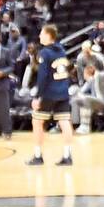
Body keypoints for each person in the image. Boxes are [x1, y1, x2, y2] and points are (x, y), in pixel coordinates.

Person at [25, 24, 74, 167]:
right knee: (65, 123)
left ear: (48, 35)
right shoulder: (62, 51)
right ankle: (67, 155)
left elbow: (43, 76)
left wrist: (38, 97)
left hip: (48, 93)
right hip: (63, 92)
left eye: (42, 33)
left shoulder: (45, 53)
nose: (39, 36)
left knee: (37, 122)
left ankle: (38, 155)